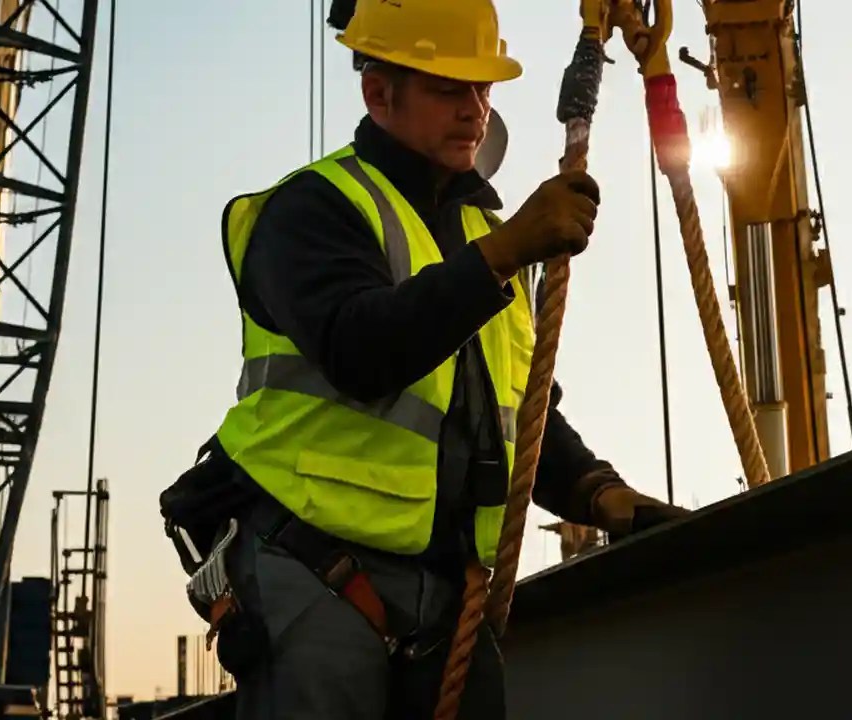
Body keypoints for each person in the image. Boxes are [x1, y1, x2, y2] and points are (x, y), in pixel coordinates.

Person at [161, 0, 691, 718]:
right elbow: (361, 350)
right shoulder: (312, 210)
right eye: (449, 88)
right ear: (379, 94)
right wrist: (503, 255)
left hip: (447, 595)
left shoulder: (486, 233)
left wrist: (600, 493)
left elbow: (517, 410)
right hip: (315, 570)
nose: (474, 110)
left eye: (483, 89)